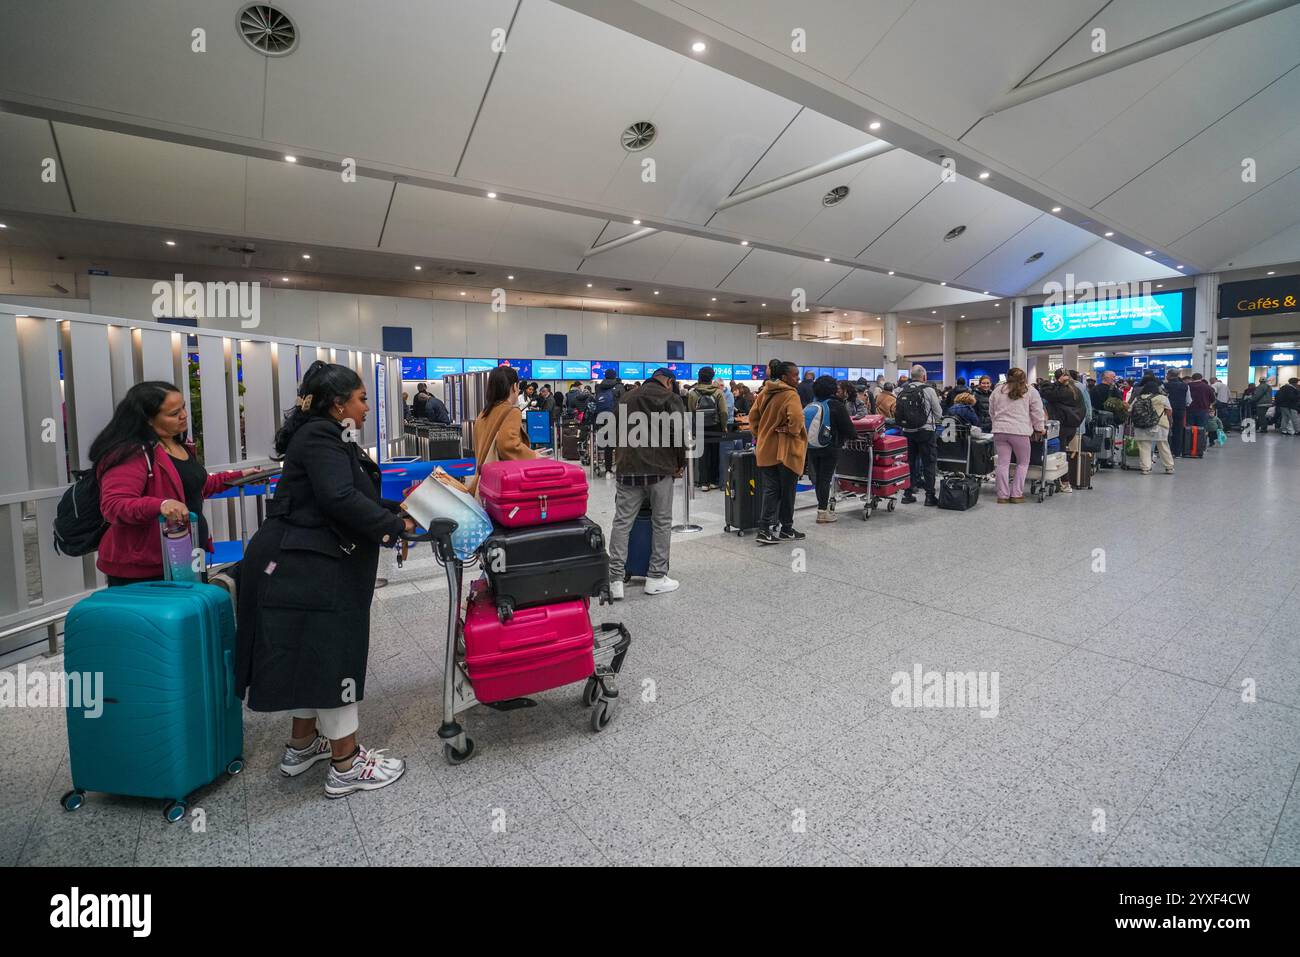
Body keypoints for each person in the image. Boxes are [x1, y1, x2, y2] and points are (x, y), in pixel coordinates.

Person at [236, 361, 415, 797]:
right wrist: (394, 528)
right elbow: (338, 498)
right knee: (331, 656)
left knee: (305, 653)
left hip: (295, 562)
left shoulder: (323, 434)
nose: (368, 406)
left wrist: (396, 510)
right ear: (338, 405)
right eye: (361, 398)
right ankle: (346, 765)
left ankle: (301, 744)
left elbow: (349, 493)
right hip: (307, 565)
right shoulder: (320, 436)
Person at [91, 381, 257, 585]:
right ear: (149, 420)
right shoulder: (131, 453)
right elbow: (114, 505)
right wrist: (161, 505)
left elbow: (194, 487)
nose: (184, 415)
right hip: (146, 568)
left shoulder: (177, 444)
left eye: (184, 407)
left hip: (188, 555)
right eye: (173, 413)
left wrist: (240, 475)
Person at [607, 368, 685, 598]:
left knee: (622, 523)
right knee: (661, 522)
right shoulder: (671, 398)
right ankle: (656, 577)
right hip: (660, 469)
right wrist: (680, 464)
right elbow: (678, 434)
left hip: (628, 468)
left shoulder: (627, 396)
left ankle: (615, 581)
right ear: (668, 382)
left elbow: (612, 431)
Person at [750, 360, 807, 544]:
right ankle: (786, 529)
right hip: (785, 450)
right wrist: (790, 431)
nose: (798, 379)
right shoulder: (791, 395)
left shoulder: (764, 391)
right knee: (788, 491)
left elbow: (753, 417)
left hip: (765, 448)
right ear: (784, 377)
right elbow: (797, 419)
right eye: (795, 375)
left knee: (771, 489)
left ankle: (764, 529)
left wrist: (763, 433)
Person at [467, 365, 539, 495]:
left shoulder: (483, 413)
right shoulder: (511, 411)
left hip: (482, 482)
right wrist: (533, 455)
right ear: (514, 387)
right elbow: (507, 444)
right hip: (501, 486)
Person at [988, 368, 1046, 504]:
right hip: (1020, 432)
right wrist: (1040, 428)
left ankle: (1002, 495)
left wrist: (996, 423)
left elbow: (991, 411)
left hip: (1000, 431)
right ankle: (1016, 495)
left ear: (1007, 377)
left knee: (1002, 464)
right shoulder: (1030, 391)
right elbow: (1037, 412)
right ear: (1024, 378)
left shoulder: (998, 390)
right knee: (1023, 463)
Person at [805, 376, 856, 524]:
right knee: (825, 479)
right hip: (830, 447)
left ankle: (822, 509)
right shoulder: (836, 405)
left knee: (819, 479)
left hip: (812, 446)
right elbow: (849, 430)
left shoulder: (812, 404)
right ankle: (822, 512)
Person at [894, 365, 943, 506]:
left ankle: (907, 494)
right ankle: (929, 497)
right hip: (926, 431)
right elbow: (938, 413)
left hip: (907, 432)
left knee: (909, 463)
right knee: (929, 463)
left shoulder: (902, 390)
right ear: (924, 377)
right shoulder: (929, 390)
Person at [1039, 368, 1084, 493]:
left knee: (1061, 455)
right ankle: (1061, 481)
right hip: (1071, 427)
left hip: (1061, 427)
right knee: (1061, 453)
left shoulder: (1063, 391)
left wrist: (1050, 383)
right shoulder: (1076, 390)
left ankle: (1065, 482)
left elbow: (1047, 394)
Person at [686, 366, 728, 491]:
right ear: (712, 378)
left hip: (699, 426)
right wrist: (724, 426)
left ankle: (704, 483)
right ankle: (714, 481)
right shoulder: (717, 392)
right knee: (715, 454)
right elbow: (724, 412)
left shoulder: (693, 393)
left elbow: (691, 411)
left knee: (702, 454)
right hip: (715, 427)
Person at [1128, 375, 1175, 475]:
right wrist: (1170, 422)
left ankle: (1146, 468)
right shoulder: (1163, 398)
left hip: (1142, 425)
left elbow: (1130, 411)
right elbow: (1169, 412)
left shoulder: (1138, 398)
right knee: (1163, 445)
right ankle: (1169, 467)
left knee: (1144, 447)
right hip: (1160, 424)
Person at [593, 369, 624, 473]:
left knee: (608, 446)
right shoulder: (619, 386)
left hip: (603, 419)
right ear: (615, 376)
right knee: (620, 445)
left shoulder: (599, 387)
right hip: (617, 419)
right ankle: (620, 468)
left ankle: (608, 469)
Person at [1164, 369, 1189, 456]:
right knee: (1178, 430)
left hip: (1167, 410)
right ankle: (1177, 452)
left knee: (1166, 429)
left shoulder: (1165, 385)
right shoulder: (1185, 386)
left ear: (1170, 375)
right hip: (1180, 410)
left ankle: (1166, 451)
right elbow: (1188, 400)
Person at [1186, 372, 1216, 440]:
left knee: (1189, 429)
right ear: (1201, 378)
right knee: (1202, 429)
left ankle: (1189, 445)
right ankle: (1200, 446)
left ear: (1192, 378)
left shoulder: (1187, 386)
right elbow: (1213, 399)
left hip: (1189, 410)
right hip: (1203, 410)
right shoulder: (1207, 387)